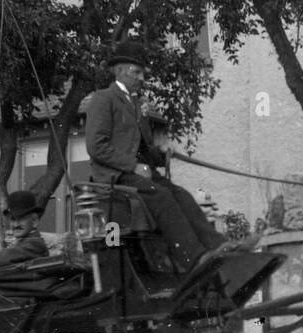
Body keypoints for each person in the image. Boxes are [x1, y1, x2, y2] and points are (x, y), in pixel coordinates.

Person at [85, 41, 260, 271]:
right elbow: (95, 146)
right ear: (120, 70)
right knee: (162, 196)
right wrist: (132, 166)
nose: (142, 78)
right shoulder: (103, 99)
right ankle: (194, 258)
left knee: (182, 195)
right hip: (115, 177)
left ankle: (221, 246)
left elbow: (143, 150)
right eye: (137, 72)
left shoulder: (138, 105)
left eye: (143, 73)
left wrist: (161, 154)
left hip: (141, 174)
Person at [0, 191, 82, 271]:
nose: (16, 225)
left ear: (35, 221)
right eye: (13, 219)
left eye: (21, 218)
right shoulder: (23, 243)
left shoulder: (33, 244)